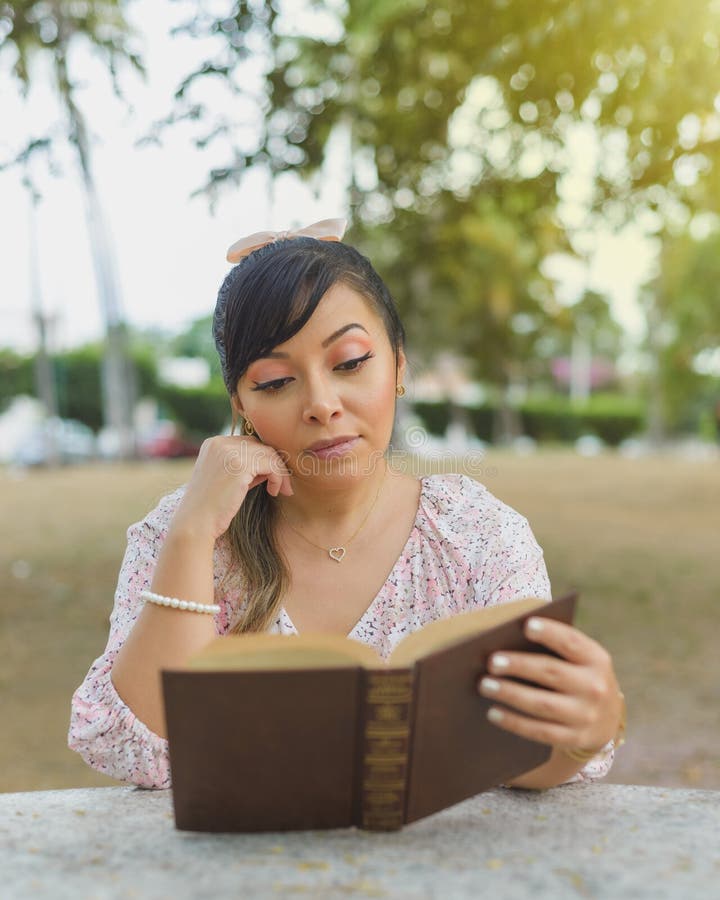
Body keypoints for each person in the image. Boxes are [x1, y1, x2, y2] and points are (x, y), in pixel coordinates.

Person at [68, 219, 625, 791]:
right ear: (240, 403)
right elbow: (132, 745)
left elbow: (523, 750)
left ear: (399, 364)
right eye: (276, 381)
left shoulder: (478, 534)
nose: (321, 404)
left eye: (351, 362)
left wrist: (585, 731)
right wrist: (191, 533)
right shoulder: (184, 532)